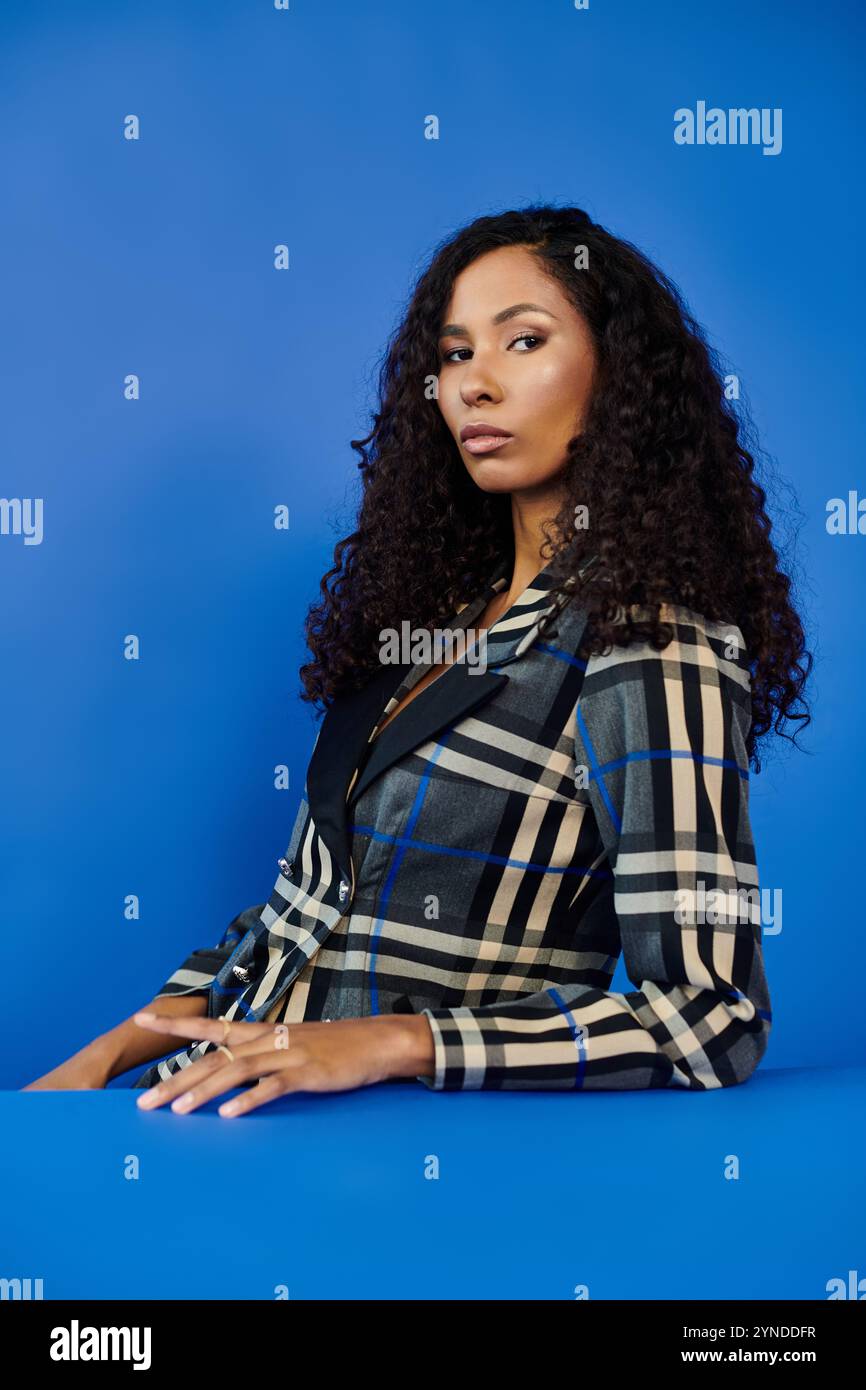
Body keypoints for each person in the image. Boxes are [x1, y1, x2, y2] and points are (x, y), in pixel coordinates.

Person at [23, 204, 811, 1115]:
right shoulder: (432, 623)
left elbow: (712, 1016)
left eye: (523, 342)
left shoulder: (647, 644)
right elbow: (305, 916)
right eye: (454, 352)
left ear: (619, 375)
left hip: (402, 1156)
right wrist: (113, 1051)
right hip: (221, 1112)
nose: (474, 384)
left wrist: (395, 1042)